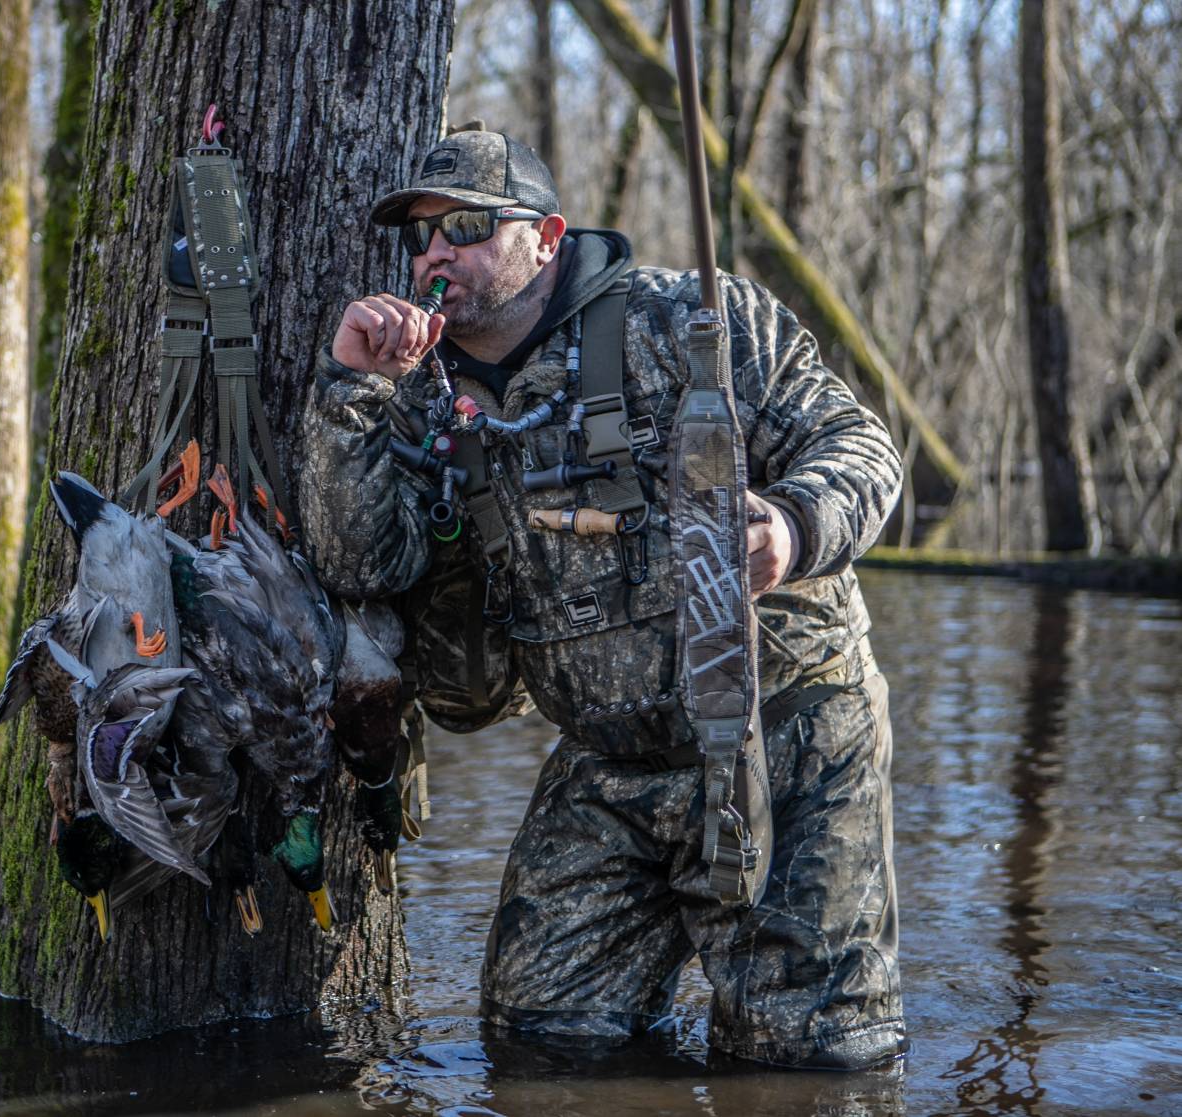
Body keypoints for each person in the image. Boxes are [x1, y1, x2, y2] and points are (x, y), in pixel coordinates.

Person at [298, 129, 906, 1070]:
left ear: (545, 236)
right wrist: (354, 391)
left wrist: (790, 528)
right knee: (538, 1039)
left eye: (463, 226)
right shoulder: (418, 394)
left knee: (811, 1061)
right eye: (419, 239)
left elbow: (862, 445)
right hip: (607, 759)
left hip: (782, 734)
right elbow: (360, 561)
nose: (435, 256)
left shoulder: (695, 321)